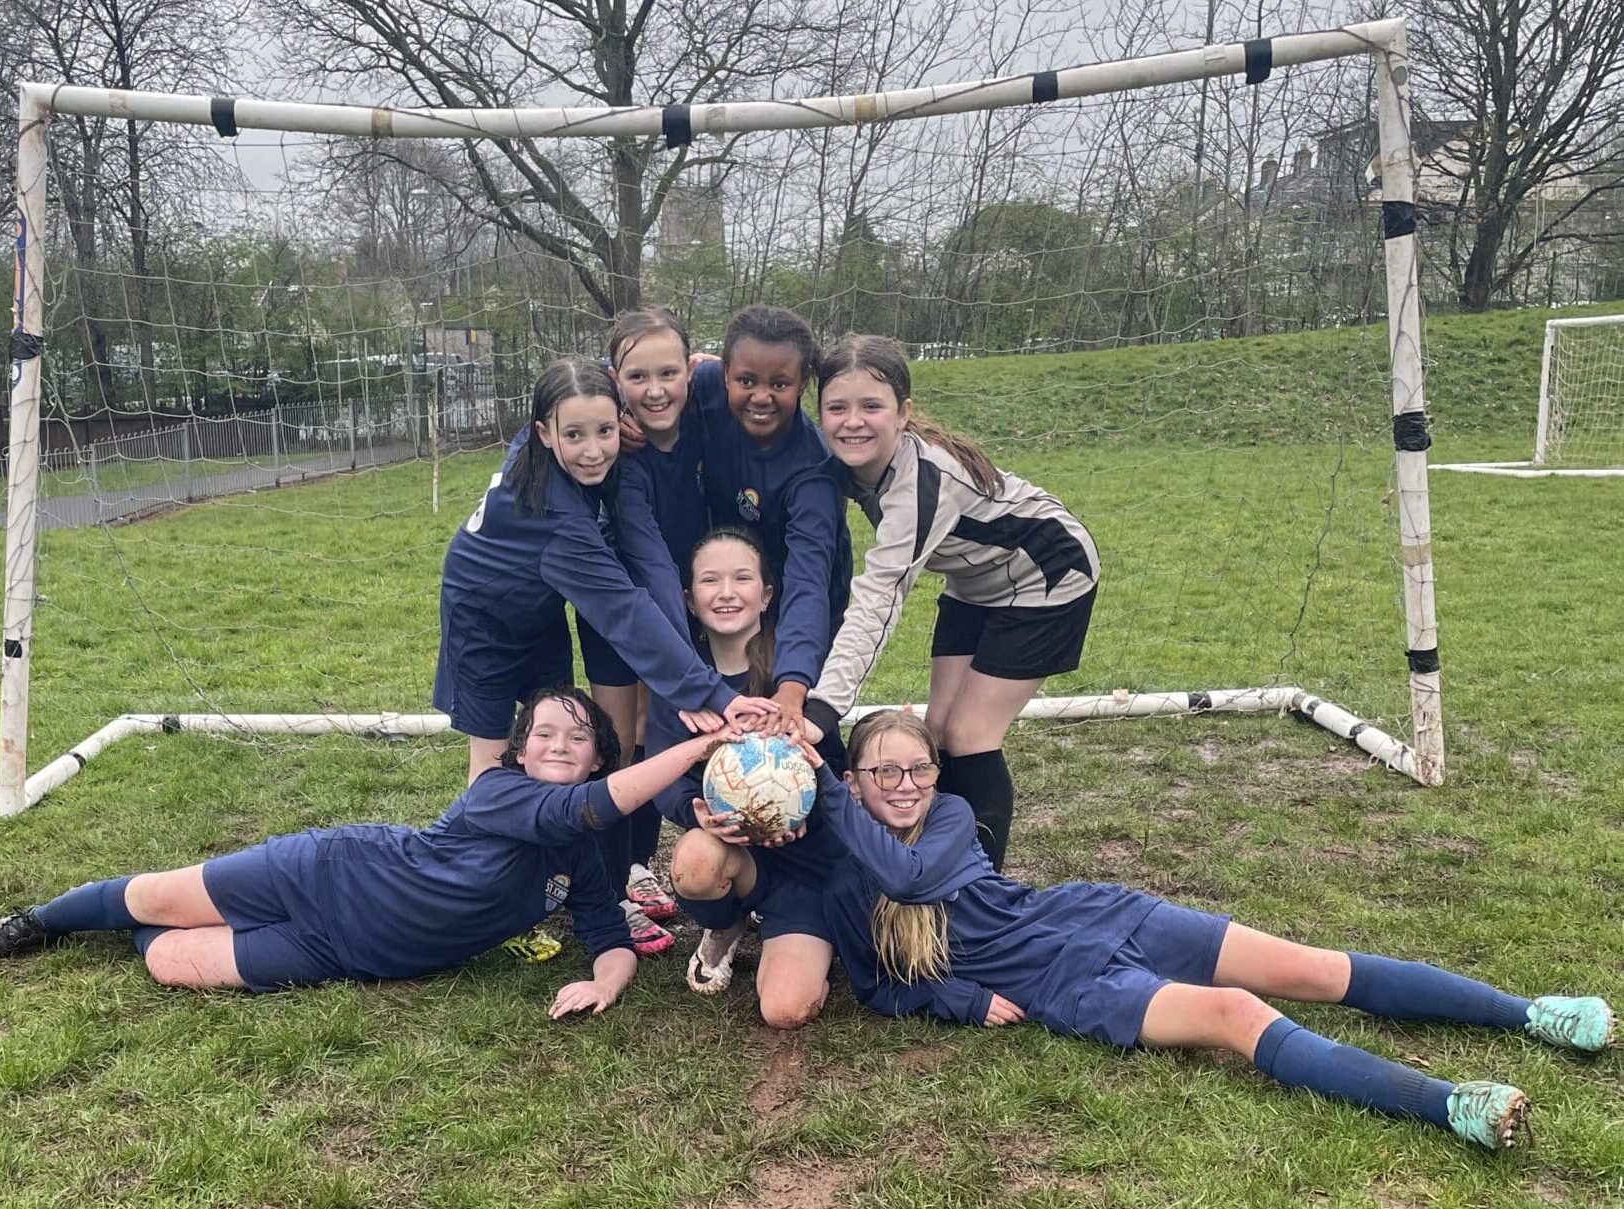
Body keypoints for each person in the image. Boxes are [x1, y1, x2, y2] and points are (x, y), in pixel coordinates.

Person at [817, 709, 1616, 1150]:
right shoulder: (848, 879)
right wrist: (959, 1000)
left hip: (1098, 912)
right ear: (854, 779)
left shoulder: (953, 815)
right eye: (881, 770)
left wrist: (827, 796)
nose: (905, 784)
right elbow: (878, 984)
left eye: (917, 766)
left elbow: (913, 877)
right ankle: (1450, 1104)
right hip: (1067, 985)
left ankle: (1529, 1012)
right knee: (1238, 1014)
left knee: (1313, 968)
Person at [0, 689, 741, 1014]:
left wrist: (603, 984)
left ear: (598, 752)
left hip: (350, 947)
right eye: (543, 731)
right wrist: (693, 745)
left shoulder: (583, 858)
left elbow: (607, 938)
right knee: (156, 895)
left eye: (578, 734)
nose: (558, 742)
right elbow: (592, 802)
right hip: (330, 867)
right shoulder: (497, 791)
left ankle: (126, 935)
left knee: (165, 960)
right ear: (518, 750)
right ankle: (40, 921)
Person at [804, 335, 1098, 872]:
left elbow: (879, 598)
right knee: (938, 730)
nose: (853, 421)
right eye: (837, 407)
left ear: (904, 413)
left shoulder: (923, 482)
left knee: (969, 735)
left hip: (1049, 574)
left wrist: (822, 709)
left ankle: (980, 891)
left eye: (872, 406)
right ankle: (939, 858)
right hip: (976, 583)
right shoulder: (844, 453)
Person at [434, 356, 776, 788]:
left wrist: (703, 370)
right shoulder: (555, 518)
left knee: (549, 742)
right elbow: (624, 610)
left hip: (540, 613)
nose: (594, 451)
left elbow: (592, 373)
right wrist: (707, 691)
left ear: (620, 419)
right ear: (544, 432)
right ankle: (477, 852)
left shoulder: (557, 416)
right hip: (481, 623)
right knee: (494, 763)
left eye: (605, 431)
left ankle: (557, 846)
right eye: (574, 435)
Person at [657, 528, 843, 1029]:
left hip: (805, 867)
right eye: (710, 580)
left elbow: (833, 762)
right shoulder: (678, 679)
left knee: (785, 1011)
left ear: (766, 594)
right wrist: (691, 810)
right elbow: (663, 773)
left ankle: (820, 940)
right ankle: (727, 922)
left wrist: (809, 812)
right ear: (689, 600)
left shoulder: (796, 676)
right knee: (694, 861)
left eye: (742, 578)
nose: (726, 592)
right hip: (737, 856)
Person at [575, 307, 712, 934]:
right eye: (637, 376)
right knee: (618, 738)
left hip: (697, 607)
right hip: (621, 608)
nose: (654, 390)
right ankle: (609, 887)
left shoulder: (709, 407)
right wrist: (679, 654)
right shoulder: (613, 445)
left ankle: (635, 867)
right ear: (613, 378)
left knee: (661, 735)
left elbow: (723, 370)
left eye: (668, 372)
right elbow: (648, 554)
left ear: (689, 369)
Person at [685, 304, 853, 748]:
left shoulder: (813, 472)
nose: (762, 396)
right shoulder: (703, 385)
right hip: (734, 573)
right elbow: (640, 368)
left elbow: (808, 583)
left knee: (789, 707)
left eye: (780, 384)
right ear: (724, 376)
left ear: (802, 384)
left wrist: (794, 687)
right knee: (731, 694)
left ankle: (824, 793)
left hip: (799, 589)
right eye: (747, 381)